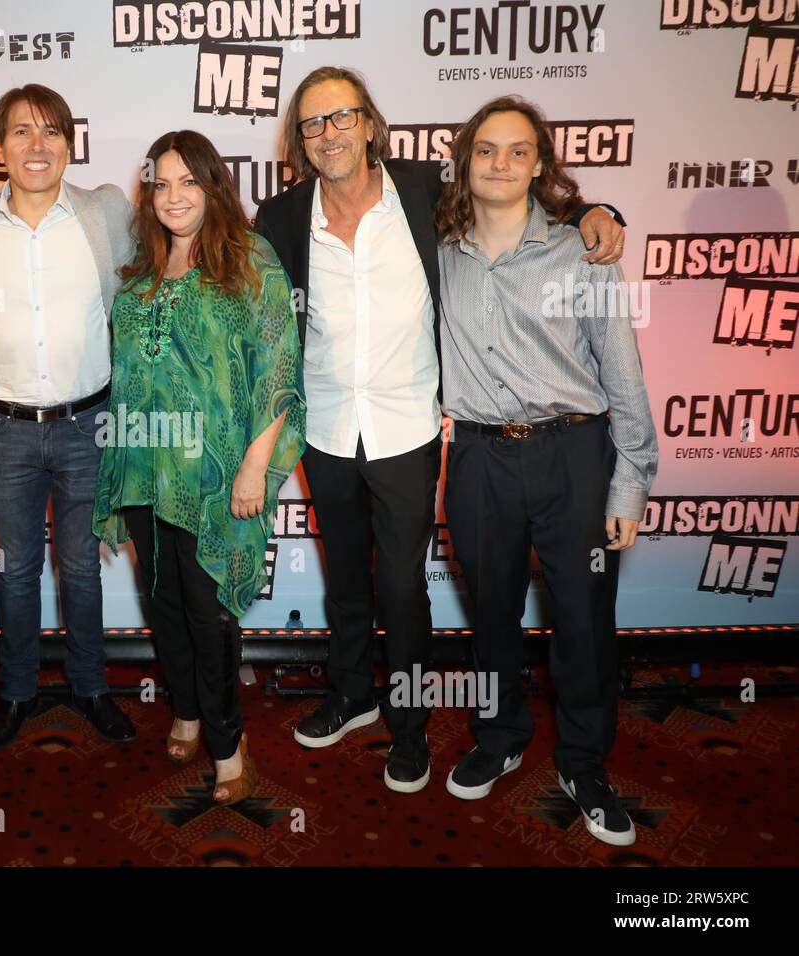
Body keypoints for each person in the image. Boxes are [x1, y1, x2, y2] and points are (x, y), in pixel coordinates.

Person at [254, 66, 627, 793]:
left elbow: (522, 191)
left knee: (401, 586)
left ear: (369, 124)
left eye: (342, 117)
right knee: (345, 581)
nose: (328, 134)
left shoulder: (428, 190)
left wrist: (597, 211)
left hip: (408, 426)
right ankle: (353, 692)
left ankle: (409, 724)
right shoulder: (280, 217)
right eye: (312, 124)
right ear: (299, 140)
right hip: (326, 426)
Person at [435, 96, 657, 845]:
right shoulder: (436, 254)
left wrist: (631, 479)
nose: (501, 163)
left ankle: (586, 763)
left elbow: (623, 372)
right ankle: (499, 738)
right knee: (490, 613)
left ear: (540, 164)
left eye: (519, 151)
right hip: (476, 456)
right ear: (464, 160)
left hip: (574, 454)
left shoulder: (582, 251)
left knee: (585, 622)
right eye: (487, 150)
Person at [0, 85, 137, 752]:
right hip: (5, 431)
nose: (36, 146)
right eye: (20, 133)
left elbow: (171, 254)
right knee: (15, 572)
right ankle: (15, 697)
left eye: (50, 132)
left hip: (91, 425)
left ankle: (91, 690)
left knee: (83, 568)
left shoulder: (107, 213)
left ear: (70, 144)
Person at [93, 131, 305, 804]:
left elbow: (279, 366)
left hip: (216, 479)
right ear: (148, 192)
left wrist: (254, 465)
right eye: (163, 183)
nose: (175, 196)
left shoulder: (249, 261)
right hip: (144, 474)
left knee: (210, 614)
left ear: (214, 188)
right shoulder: (140, 272)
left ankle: (226, 741)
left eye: (191, 182)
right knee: (165, 604)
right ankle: (184, 707)